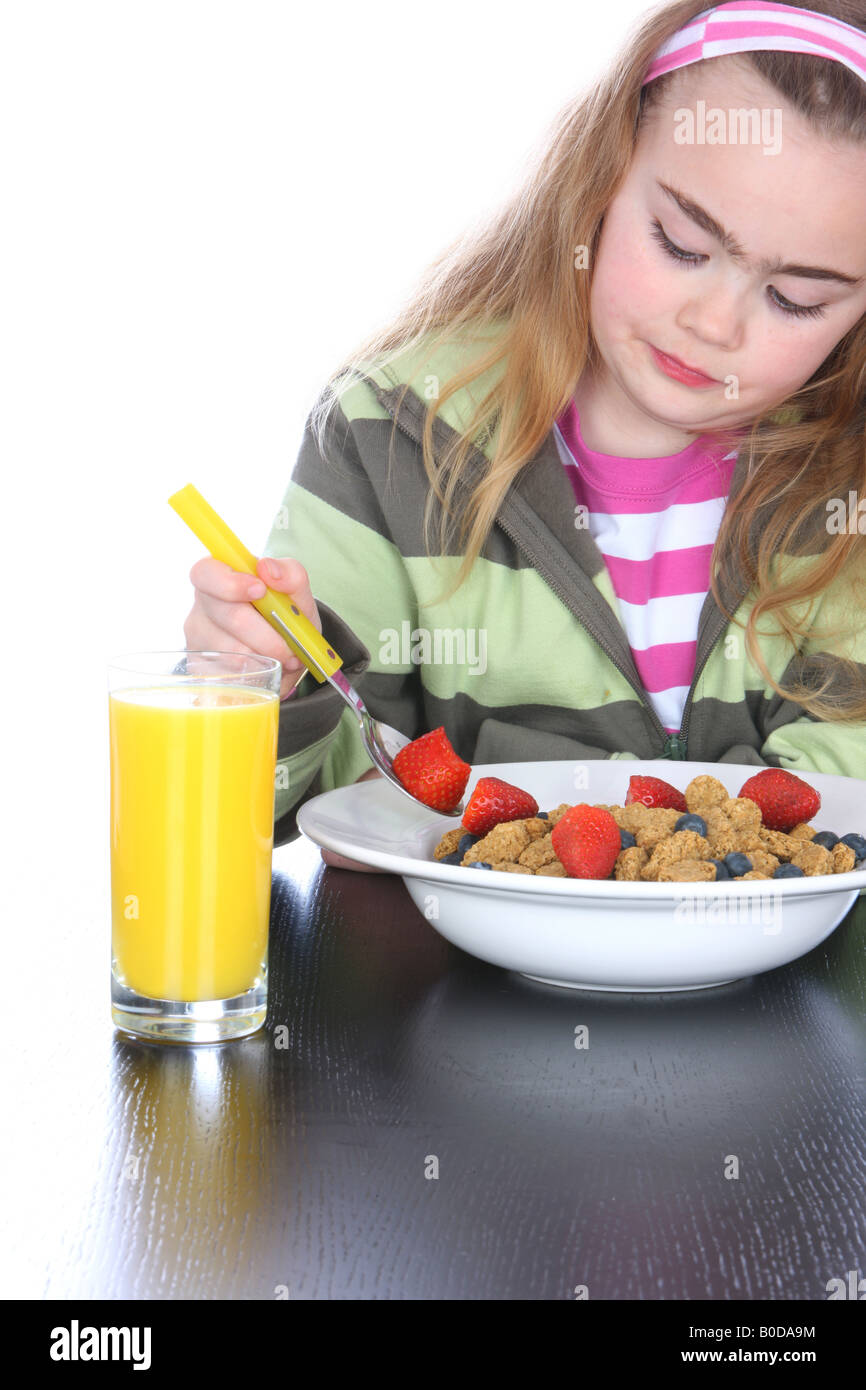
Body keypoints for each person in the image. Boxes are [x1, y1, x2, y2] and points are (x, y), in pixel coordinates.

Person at [184, 0, 866, 870]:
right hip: (437, 994)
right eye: (682, 243)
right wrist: (260, 692)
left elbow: (842, 815)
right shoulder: (391, 433)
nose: (715, 324)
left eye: (796, 299)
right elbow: (282, 808)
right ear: (601, 179)